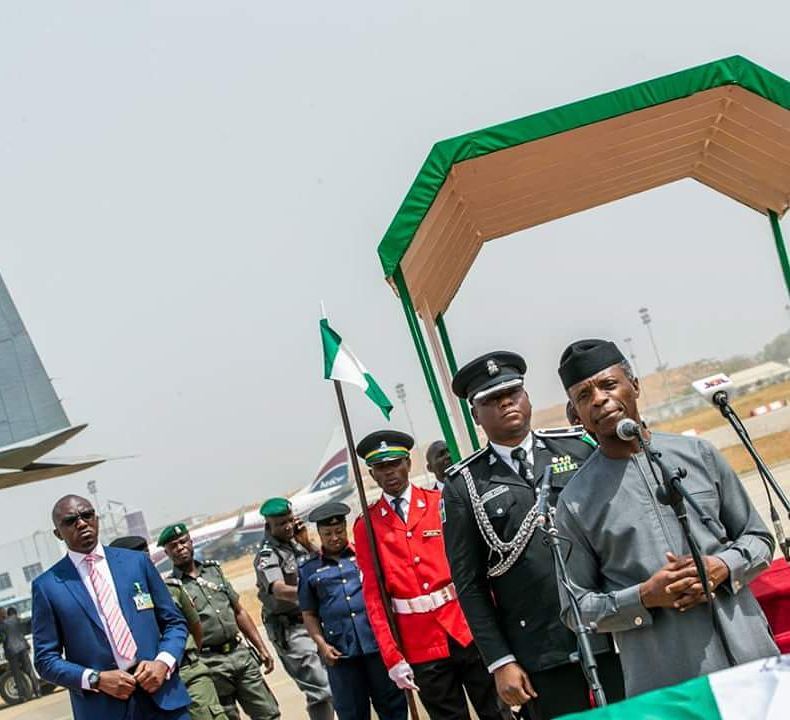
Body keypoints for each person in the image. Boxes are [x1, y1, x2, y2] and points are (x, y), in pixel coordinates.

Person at [555, 338, 780, 697]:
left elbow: (758, 538)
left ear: (635, 385)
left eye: (609, 385)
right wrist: (643, 597)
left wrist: (722, 566)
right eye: (584, 396)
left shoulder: (698, 454)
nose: (598, 399)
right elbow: (577, 607)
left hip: (752, 662)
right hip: (666, 686)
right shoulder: (575, 503)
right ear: (577, 414)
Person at [443, 352, 624, 719]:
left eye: (513, 392)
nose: (506, 402)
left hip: (611, 628)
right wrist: (499, 661)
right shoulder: (465, 485)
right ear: (475, 415)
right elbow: (470, 585)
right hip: (539, 648)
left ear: (527, 398)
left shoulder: (578, 448)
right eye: (491, 399)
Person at [353, 430, 502, 720]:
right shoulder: (366, 526)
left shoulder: (440, 502)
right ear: (372, 474)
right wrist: (392, 656)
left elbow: (475, 567)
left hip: (465, 628)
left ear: (408, 463)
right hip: (420, 644)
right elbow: (374, 598)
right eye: (381, 467)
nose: (390, 473)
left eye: (395, 463)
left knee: (497, 711)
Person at [31, 495, 191, 720]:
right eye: (70, 520)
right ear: (58, 533)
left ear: (96, 518)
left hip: (162, 696)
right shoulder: (47, 586)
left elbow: (175, 622)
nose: (82, 523)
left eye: (87, 515)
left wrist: (163, 662)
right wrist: (96, 679)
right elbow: (46, 660)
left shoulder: (137, 562)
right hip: (104, 707)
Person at [299, 501, 407, 720]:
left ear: (345, 527)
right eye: (327, 533)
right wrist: (322, 646)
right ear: (318, 534)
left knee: (393, 707)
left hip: (377, 647)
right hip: (340, 655)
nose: (334, 538)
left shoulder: (365, 556)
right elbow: (309, 614)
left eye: (338, 531)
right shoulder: (309, 569)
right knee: (352, 713)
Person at [160, 524, 280, 720]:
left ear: (191, 542)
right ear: (167, 552)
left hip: (241, 656)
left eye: (183, 542)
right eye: (174, 546)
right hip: (210, 663)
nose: (180, 548)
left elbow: (239, 610)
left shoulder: (213, 571)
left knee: (268, 714)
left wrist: (261, 647)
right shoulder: (172, 588)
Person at [110, 535, 229, 720]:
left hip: (186, 672)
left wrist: (186, 657)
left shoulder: (171, 588)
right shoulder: (113, 603)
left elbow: (193, 627)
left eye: (146, 556)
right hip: (152, 683)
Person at [254, 498, 334, 720]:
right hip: (291, 628)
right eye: (281, 524)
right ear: (268, 526)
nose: (288, 526)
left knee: (336, 682)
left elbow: (326, 563)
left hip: (316, 620)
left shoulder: (298, 542)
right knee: (321, 687)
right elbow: (278, 589)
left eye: (290, 520)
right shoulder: (267, 554)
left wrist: (307, 542)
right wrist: (308, 591)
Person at [0, 606, 40, 702]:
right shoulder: (15, 620)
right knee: (29, 670)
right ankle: (38, 692)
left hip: (11, 651)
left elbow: (3, 639)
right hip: (22, 648)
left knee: (17, 674)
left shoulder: (1, 626)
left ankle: (23, 696)